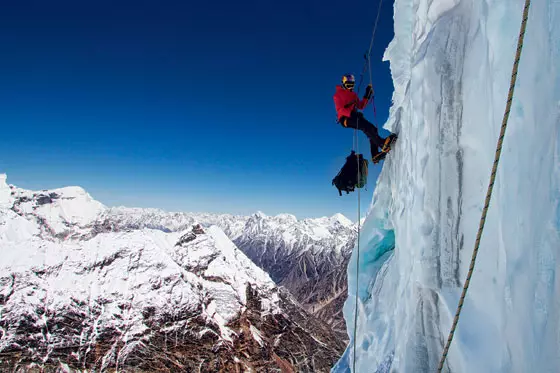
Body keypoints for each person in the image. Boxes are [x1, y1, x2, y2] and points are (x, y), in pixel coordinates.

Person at [333, 74, 392, 162]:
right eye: (348, 85)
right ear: (343, 84)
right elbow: (340, 110)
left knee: (372, 128)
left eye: (352, 85)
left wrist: (367, 94)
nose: (350, 87)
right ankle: (382, 143)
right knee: (365, 126)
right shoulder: (338, 95)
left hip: (355, 116)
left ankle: (375, 155)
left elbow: (361, 106)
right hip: (345, 119)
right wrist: (352, 114)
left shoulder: (353, 95)